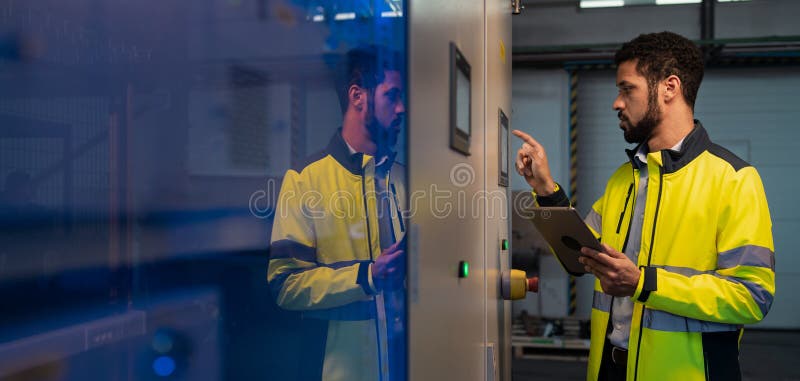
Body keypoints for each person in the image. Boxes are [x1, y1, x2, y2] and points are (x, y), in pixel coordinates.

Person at [513, 31, 774, 381]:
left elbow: (751, 296)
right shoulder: (624, 179)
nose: (616, 103)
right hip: (610, 369)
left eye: (627, 89)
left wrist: (643, 283)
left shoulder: (734, 179)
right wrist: (545, 188)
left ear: (669, 87)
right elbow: (578, 257)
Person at [268, 45, 407, 381]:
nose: (403, 109)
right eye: (393, 96)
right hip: (338, 370)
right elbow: (286, 285)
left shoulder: (404, 178)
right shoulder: (306, 179)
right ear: (358, 97)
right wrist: (369, 276)